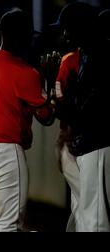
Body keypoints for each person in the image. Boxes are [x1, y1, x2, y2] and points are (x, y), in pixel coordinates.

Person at [0, 9, 55, 232]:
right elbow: (46, 116)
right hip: (2, 156)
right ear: (20, 35)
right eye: (27, 35)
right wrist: (51, 83)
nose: (30, 40)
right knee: (8, 226)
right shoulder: (24, 71)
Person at [53, 3, 110, 232]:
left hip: (97, 145)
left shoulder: (98, 57)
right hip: (92, 145)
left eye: (69, 29)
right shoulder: (89, 55)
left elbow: (83, 114)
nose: (65, 35)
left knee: (94, 220)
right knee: (86, 213)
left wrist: (54, 90)